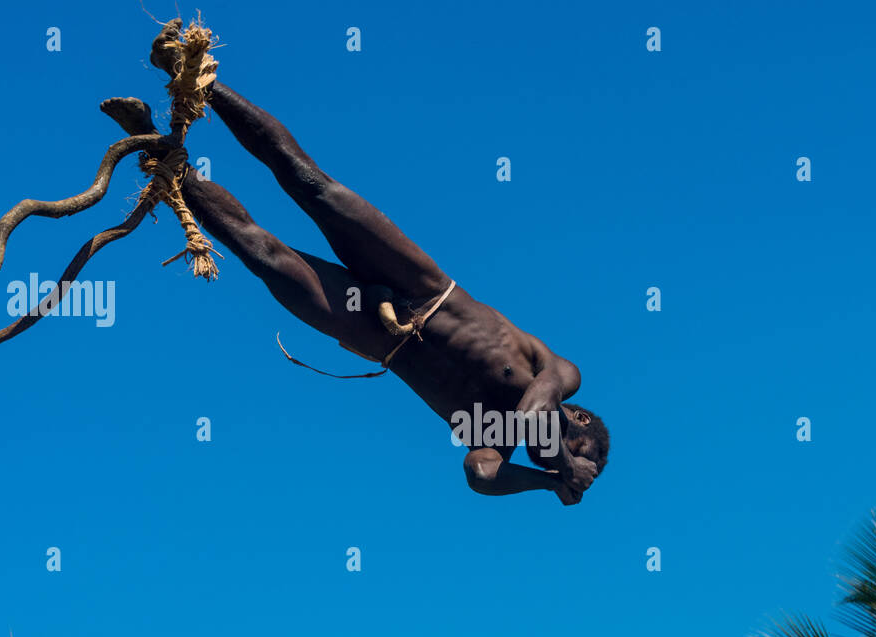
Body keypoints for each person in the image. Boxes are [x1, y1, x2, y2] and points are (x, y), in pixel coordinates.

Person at [101, 20, 608, 505]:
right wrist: (565, 466)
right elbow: (537, 408)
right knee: (310, 184)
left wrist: (546, 482)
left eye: (564, 467)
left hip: (381, 338)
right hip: (424, 289)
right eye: (580, 454)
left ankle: (151, 138)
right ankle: (191, 75)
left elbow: (480, 475)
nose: (557, 462)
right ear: (579, 419)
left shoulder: (491, 438)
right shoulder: (565, 375)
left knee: (262, 255)